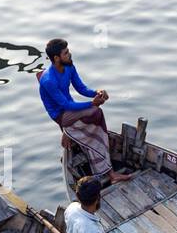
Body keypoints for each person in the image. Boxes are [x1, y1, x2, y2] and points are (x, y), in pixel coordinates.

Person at [39, 38, 132, 186]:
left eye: (68, 51)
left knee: (96, 114)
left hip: (71, 108)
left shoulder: (69, 67)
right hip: (61, 115)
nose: (69, 54)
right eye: (66, 53)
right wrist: (92, 103)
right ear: (56, 58)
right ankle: (69, 131)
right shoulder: (48, 80)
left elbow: (81, 88)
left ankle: (72, 133)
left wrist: (97, 92)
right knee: (96, 112)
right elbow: (65, 105)